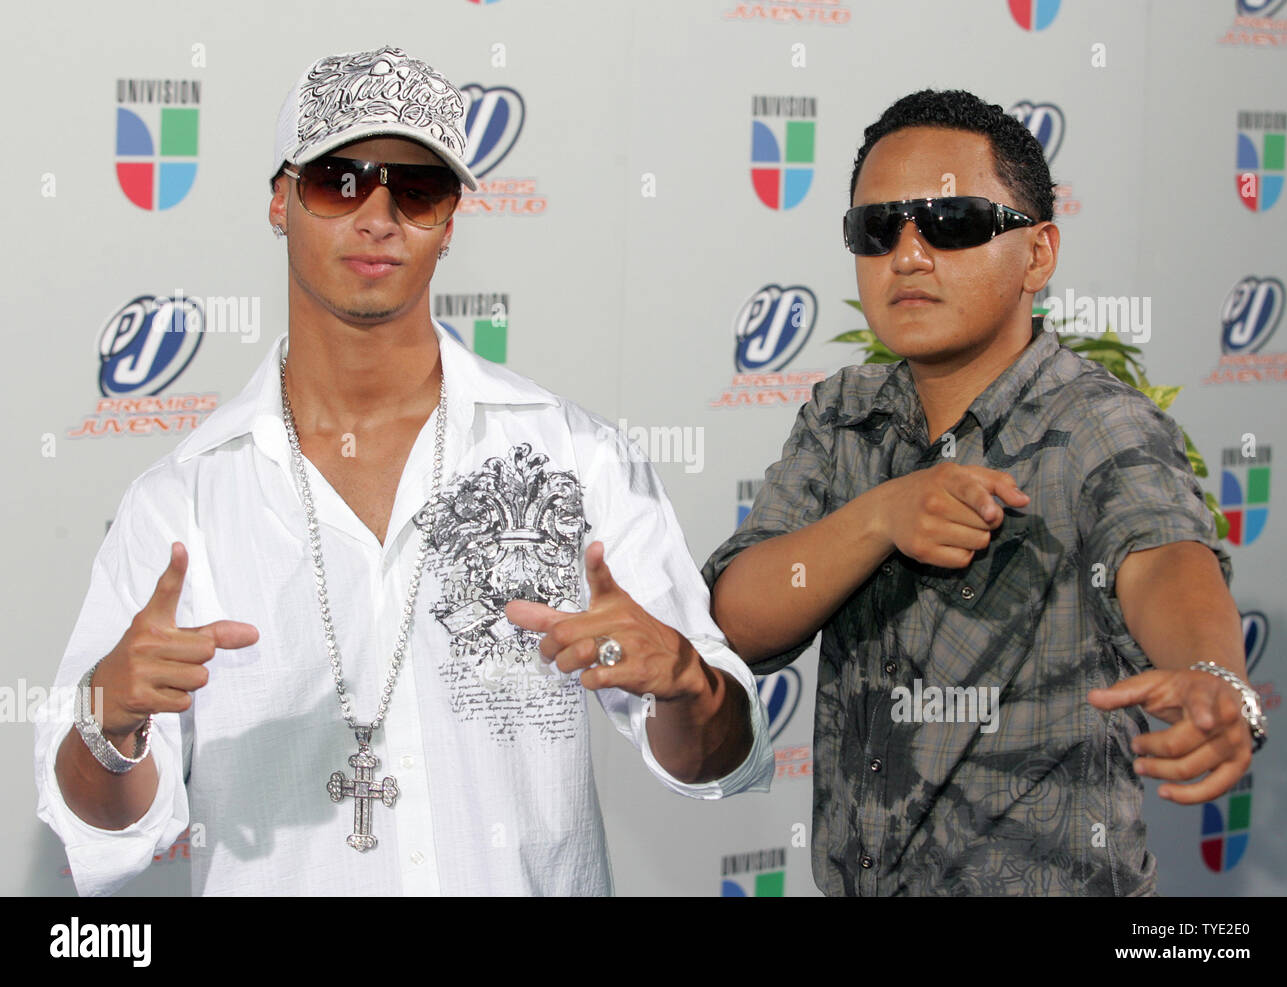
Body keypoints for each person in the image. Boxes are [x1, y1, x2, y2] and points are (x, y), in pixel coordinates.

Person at [35, 45, 772, 897]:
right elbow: (107, 830)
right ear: (280, 200)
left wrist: (688, 686)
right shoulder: (182, 502)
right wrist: (109, 723)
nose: (377, 215)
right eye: (338, 181)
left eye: (417, 190)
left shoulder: (578, 460)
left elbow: (726, 760)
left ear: (449, 222)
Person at [703, 89, 1264, 896]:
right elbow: (736, 622)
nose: (908, 254)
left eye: (951, 222)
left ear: (1038, 254)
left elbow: (1164, 559)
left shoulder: (1099, 424)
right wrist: (881, 516)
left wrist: (1213, 674)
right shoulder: (843, 414)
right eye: (876, 229)